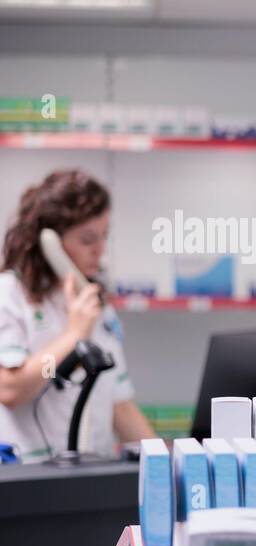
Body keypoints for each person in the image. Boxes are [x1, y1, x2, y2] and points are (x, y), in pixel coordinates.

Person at [0, 170, 155, 462]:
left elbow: (120, 406)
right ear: (49, 243)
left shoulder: (99, 307)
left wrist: (169, 464)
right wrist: (74, 334)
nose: (100, 251)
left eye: (104, 237)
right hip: (31, 481)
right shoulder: (10, 295)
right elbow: (10, 389)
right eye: (87, 240)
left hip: (90, 476)